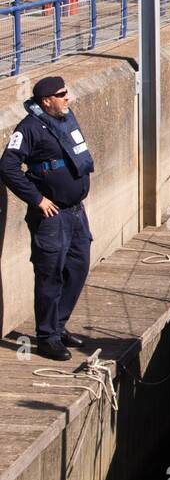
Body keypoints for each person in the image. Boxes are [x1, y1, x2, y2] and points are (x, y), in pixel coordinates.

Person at [0, 76, 94, 361]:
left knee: (77, 269)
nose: (68, 97)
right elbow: (8, 166)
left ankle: (59, 325)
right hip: (52, 218)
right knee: (50, 276)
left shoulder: (65, 118)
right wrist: (38, 199)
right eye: (61, 94)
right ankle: (47, 338)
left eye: (66, 92)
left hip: (76, 212)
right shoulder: (29, 128)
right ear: (46, 100)